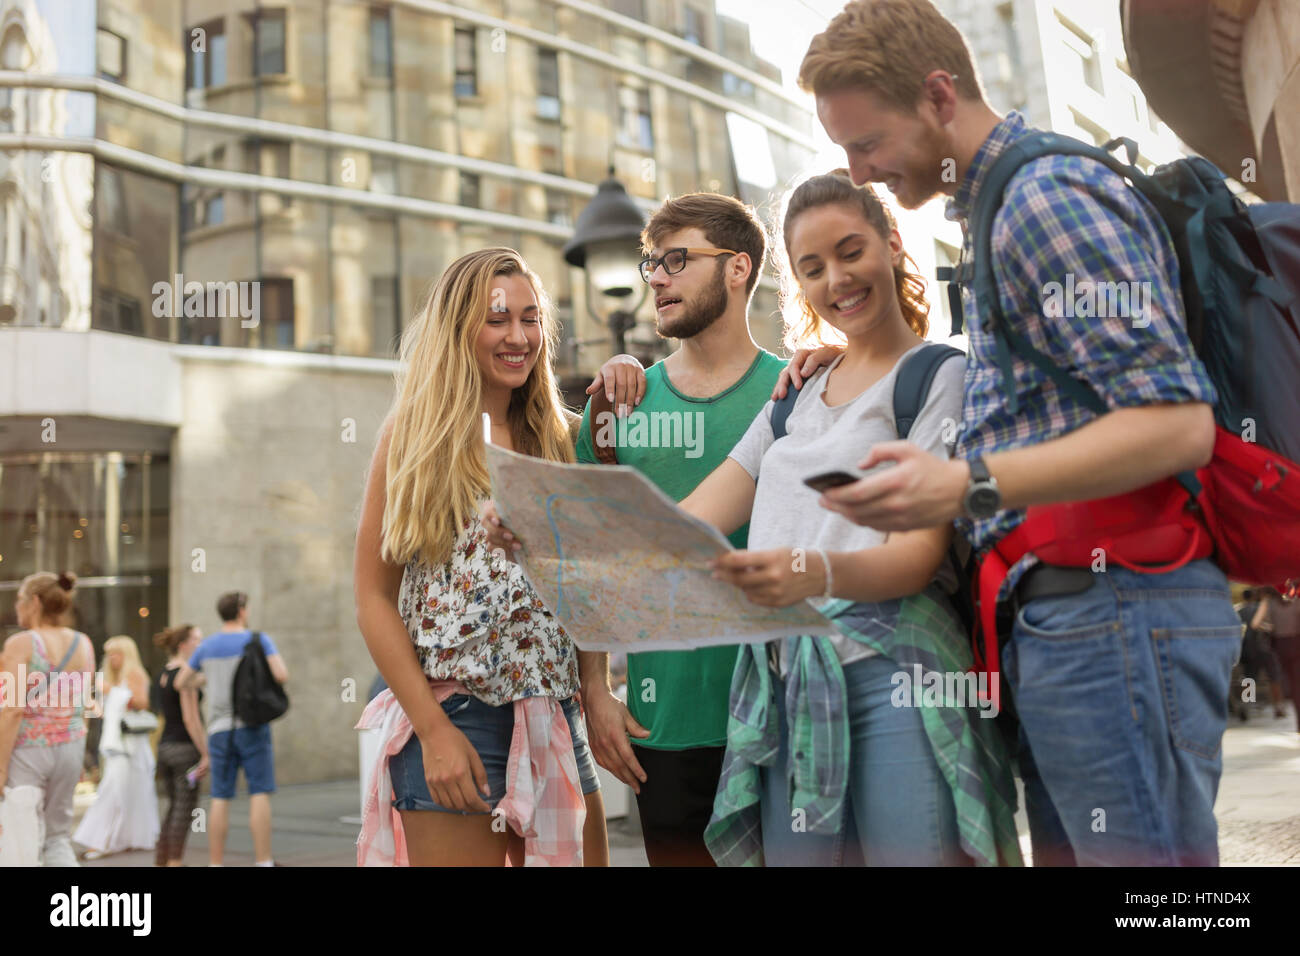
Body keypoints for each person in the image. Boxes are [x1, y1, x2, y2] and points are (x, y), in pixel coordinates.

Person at [795, 0, 1241, 865]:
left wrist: (965, 484)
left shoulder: (1041, 200)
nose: (858, 168)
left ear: (936, 93)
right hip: (1081, 619)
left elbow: (1179, 422)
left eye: (866, 142)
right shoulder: (1001, 205)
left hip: (1116, 612)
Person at [354, 247, 610, 867]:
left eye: (531, 318)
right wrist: (435, 731)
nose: (518, 336)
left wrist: (597, 686)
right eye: (497, 319)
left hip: (556, 718)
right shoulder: (414, 438)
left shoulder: (563, 438)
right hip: (457, 717)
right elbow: (372, 596)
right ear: (459, 327)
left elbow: (587, 583)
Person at [570, 192, 788, 867]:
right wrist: (597, 692)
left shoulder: (800, 391)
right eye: (649, 265)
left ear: (738, 268)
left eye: (676, 260)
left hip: (786, 714)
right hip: (664, 729)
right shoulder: (617, 409)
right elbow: (587, 558)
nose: (656, 279)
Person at [175, 592, 288, 867]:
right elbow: (281, 675)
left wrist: (209, 680)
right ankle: (263, 861)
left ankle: (216, 863)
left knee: (220, 796)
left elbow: (181, 682)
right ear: (241, 611)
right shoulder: (258, 640)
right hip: (252, 726)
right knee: (259, 792)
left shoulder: (208, 646)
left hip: (218, 730)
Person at [0, 571, 95, 866]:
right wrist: (79, 756)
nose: (17, 607)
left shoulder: (23, 643)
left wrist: (0, 768)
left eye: (19, 600)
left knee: (21, 836)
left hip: (29, 749)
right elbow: (85, 705)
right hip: (70, 745)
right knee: (57, 837)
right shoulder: (83, 643)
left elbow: (13, 709)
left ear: (35, 602)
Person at [73, 635, 160, 858]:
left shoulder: (133, 674)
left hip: (129, 745)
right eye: (110, 653)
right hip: (115, 743)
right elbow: (100, 711)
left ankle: (103, 841)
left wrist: (114, 692)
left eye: (116, 653)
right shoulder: (111, 678)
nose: (112, 658)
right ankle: (122, 839)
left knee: (114, 792)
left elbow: (142, 703)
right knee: (122, 792)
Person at [152, 624, 209, 866]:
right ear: (183, 644)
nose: (201, 644)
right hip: (185, 748)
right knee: (184, 809)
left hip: (165, 747)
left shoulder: (164, 674)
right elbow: (191, 718)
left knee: (174, 806)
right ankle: (175, 861)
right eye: (197, 639)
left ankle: (163, 859)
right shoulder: (185, 676)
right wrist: (206, 752)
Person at [1255, 587, 1300, 732]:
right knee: (1297, 683)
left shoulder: (1270, 603)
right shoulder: (1297, 602)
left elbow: (1256, 624)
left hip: (1281, 646)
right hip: (1296, 644)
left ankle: (1294, 716)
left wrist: (1272, 628)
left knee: (1291, 683)